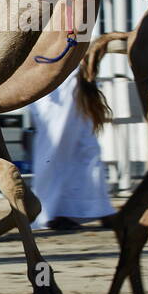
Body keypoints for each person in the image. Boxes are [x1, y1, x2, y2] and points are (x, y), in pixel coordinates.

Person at [28, 68, 113, 230]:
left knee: (88, 146)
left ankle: (97, 207)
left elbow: (84, 40)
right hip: (51, 71)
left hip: (75, 72)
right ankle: (47, 212)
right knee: (55, 144)